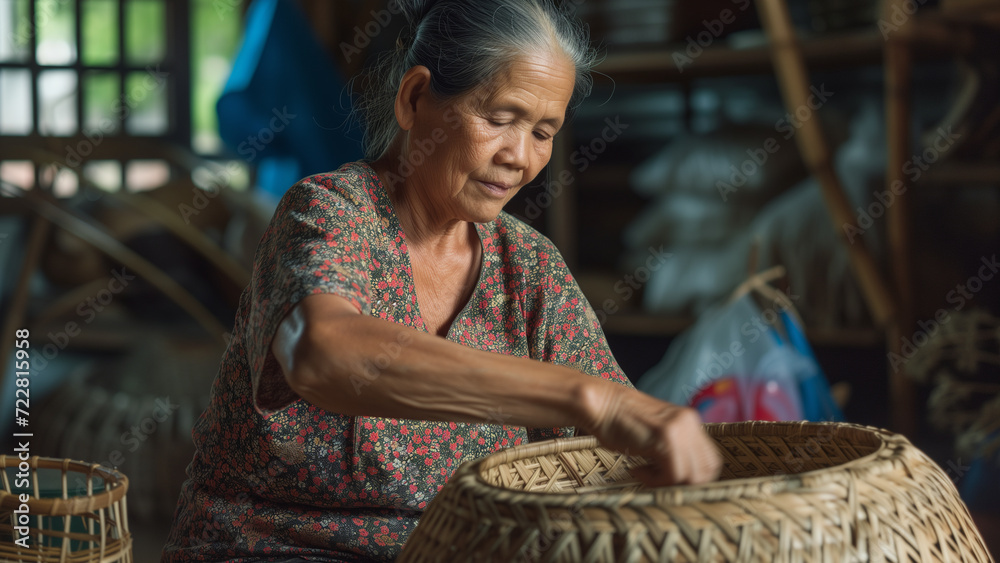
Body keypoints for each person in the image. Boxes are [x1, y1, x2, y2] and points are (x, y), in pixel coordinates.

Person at [162, 1, 721, 561]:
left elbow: (612, 457)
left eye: (544, 132)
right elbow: (321, 352)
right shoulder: (332, 213)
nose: (520, 158)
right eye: (500, 119)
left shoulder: (529, 269)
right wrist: (587, 399)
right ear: (414, 99)